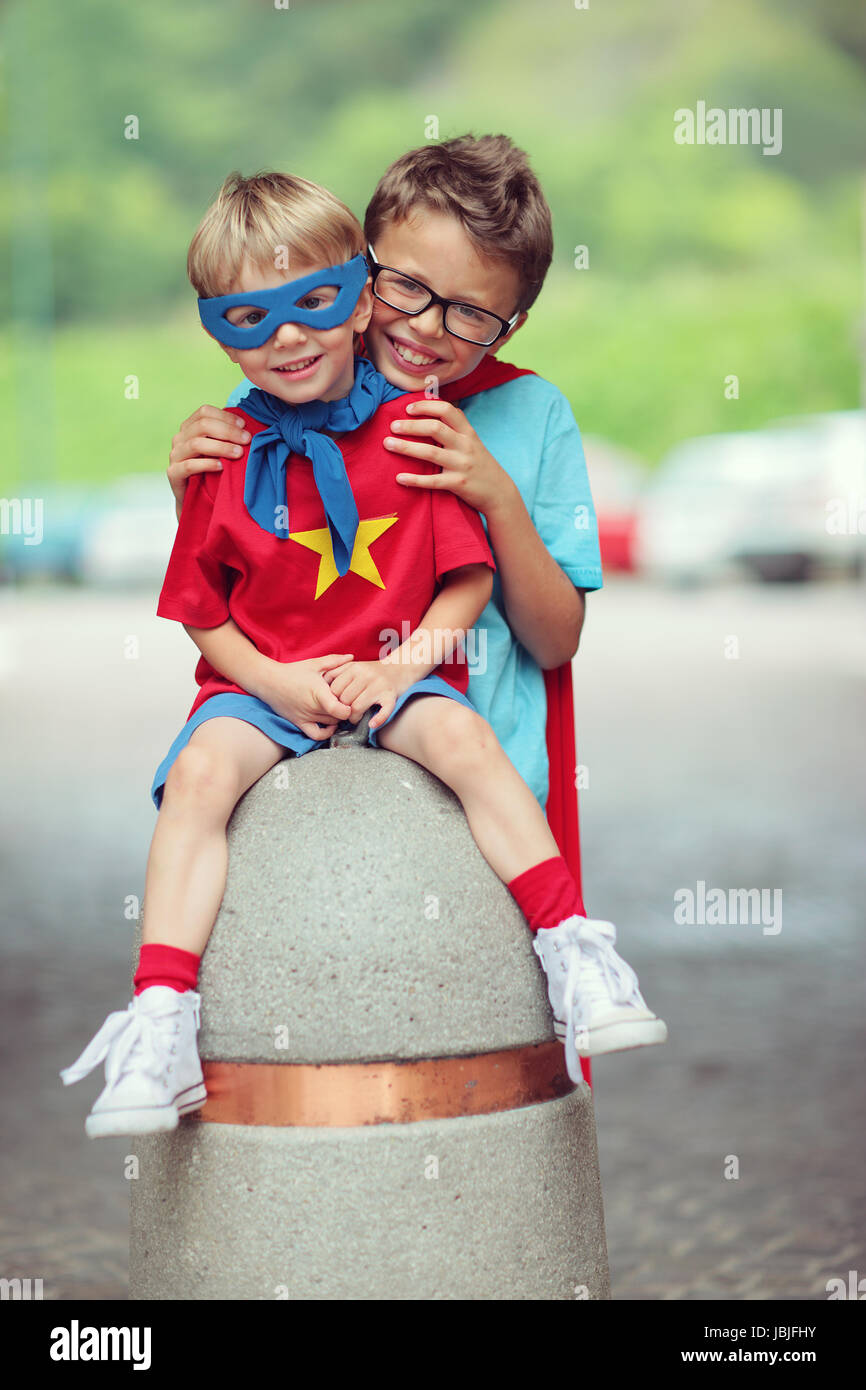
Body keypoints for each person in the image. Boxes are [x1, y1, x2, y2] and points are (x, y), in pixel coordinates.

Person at [60, 163, 666, 1139]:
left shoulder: (489, 417)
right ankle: (160, 1020)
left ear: (512, 323)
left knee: (492, 1056)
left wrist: (489, 493)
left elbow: (551, 635)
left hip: (474, 745)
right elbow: (226, 582)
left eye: (471, 314)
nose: (425, 328)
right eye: (405, 288)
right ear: (362, 269)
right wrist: (193, 495)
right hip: (305, 735)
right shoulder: (275, 395)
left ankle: (577, 967)